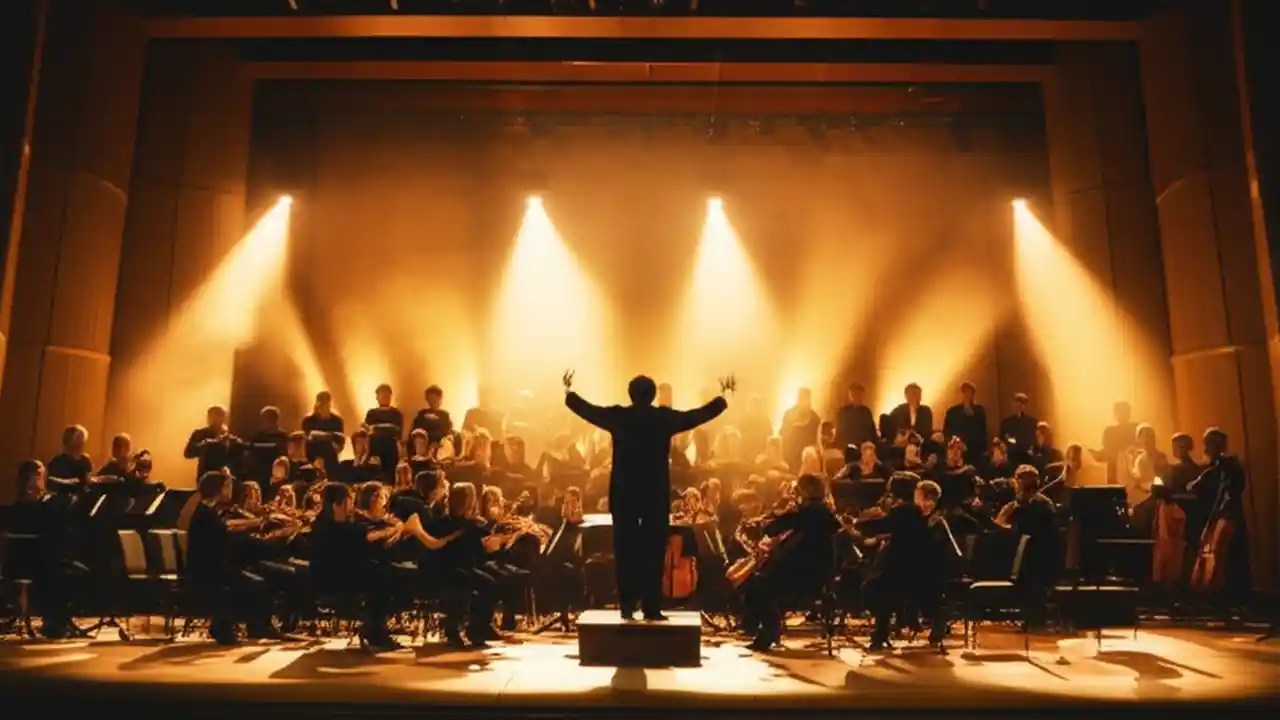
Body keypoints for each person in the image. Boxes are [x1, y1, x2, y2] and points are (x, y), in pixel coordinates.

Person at [563, 369, 732, 621]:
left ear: (630, 395)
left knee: (625, 548)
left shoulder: (619, 417)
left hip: (624, 493)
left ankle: (627, 605)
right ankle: (652, 607)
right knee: (654, 550)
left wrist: (569, 393)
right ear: (653, 396)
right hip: (654, 492)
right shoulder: (662, 419)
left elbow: (589, 411)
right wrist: (723, 397)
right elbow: (695, 417)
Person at [742, 473, 840, 651]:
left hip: (802, 578)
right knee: (763, 581)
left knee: (758, 583)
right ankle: (765, 630)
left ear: (804, 491)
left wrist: (781, 513)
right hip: (821, 577)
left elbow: (771, 528)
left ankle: (768, 631)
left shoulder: (806, 512)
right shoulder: (826, 514)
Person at [853, 472, 933, 651]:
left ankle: (881, 633)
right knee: (881, 583)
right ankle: (892, 626)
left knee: (873, 587)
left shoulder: (904, 511)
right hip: (915, 568)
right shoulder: (915, 511)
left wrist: (857, 524)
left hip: (903, 570)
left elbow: (880, 526)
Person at [1186, 428, 1249, 600]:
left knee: (1221, 554)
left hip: (1229, 515)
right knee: (1218, 553)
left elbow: (1227, 495)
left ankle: (1219, 592)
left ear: (1218, 446)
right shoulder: (1217, 468)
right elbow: (1194, 486)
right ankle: (1215, 591)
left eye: (1208, 445)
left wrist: (1214, 518)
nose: (1205, 449)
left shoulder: (1230, 466)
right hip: (1224, 515)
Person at [1092, 401, 1138, 484]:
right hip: (1116, 476)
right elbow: (1106, 453)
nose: (1121, 414)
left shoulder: (1135, 430)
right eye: (1120, 412)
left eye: (1123, 411)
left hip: (1128, 477)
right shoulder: (1110, 432)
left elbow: (1106, 453)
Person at [943, 382, 988, 466]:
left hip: (974, 451)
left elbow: (982, 433)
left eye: (969, 392)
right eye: (964, 392)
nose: (967, 395)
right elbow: (947, 432)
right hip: (955, 449)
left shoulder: (979, 411)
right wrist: (956, 445)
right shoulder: (952, 412)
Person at [780, 388, 821, 471]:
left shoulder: (814, 418)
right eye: (800, 398)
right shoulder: (789, 414)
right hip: (789, 454)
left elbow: (817, 439)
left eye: (805, 398)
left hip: (805, 457)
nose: (802, 401)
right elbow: (782, 432)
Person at [47, 425, 93, 489]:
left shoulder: (85, 460)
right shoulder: (58, 461)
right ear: (68, 440)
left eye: (82, 438)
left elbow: (89, 479)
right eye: (77, 438)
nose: (80, 442)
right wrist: (66, 482)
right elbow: (49, 480)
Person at [835, 382, 878, 451]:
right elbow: (840, 432)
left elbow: (871, 433)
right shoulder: (843, 412)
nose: (856, 397)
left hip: (863, 448)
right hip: (846, 448)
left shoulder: (866, 412)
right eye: (853, 394)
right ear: (850, 395)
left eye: (858, 394)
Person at [998, 392, 1037, 460]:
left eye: (1022, 403)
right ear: (1013, 404)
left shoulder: (1033, 423)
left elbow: (1034, 443)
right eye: (1017, 402)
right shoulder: (1006, 423)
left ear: (1026, 405)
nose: (1020, 405)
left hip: (1028, 458)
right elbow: (1003, 442)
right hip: (1011, 458)